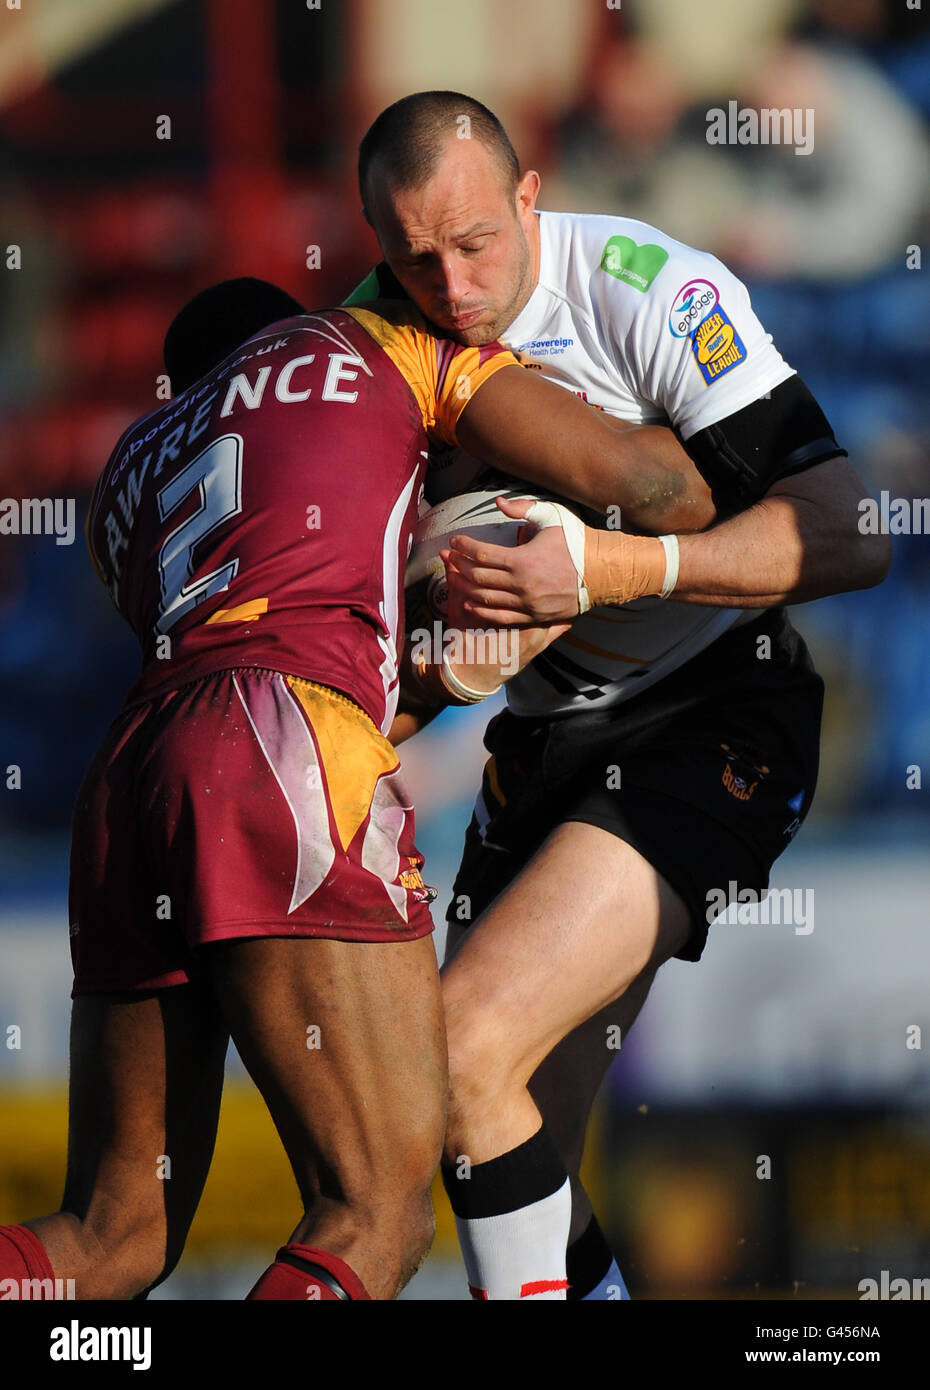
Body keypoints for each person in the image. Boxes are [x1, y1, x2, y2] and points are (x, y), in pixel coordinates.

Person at [0, 276, 712, 1302]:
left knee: (111, 1237)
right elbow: (640, 485)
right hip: (286, 739)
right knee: (375, 1213)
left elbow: (256, 598)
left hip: (128, 777)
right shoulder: (375, 343)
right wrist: (680, 524)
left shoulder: (123, 474)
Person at [347, 91, 890, 1300]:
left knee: (460, 1047)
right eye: (415, 257)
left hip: (711, 710)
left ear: (530, 193)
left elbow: (852, 536)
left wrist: (609, 566)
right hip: (538, 742)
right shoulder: (371, 341)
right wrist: (440, 670)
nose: (454, 286)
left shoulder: (649, 288)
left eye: (478, 241)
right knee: (492, 1119)